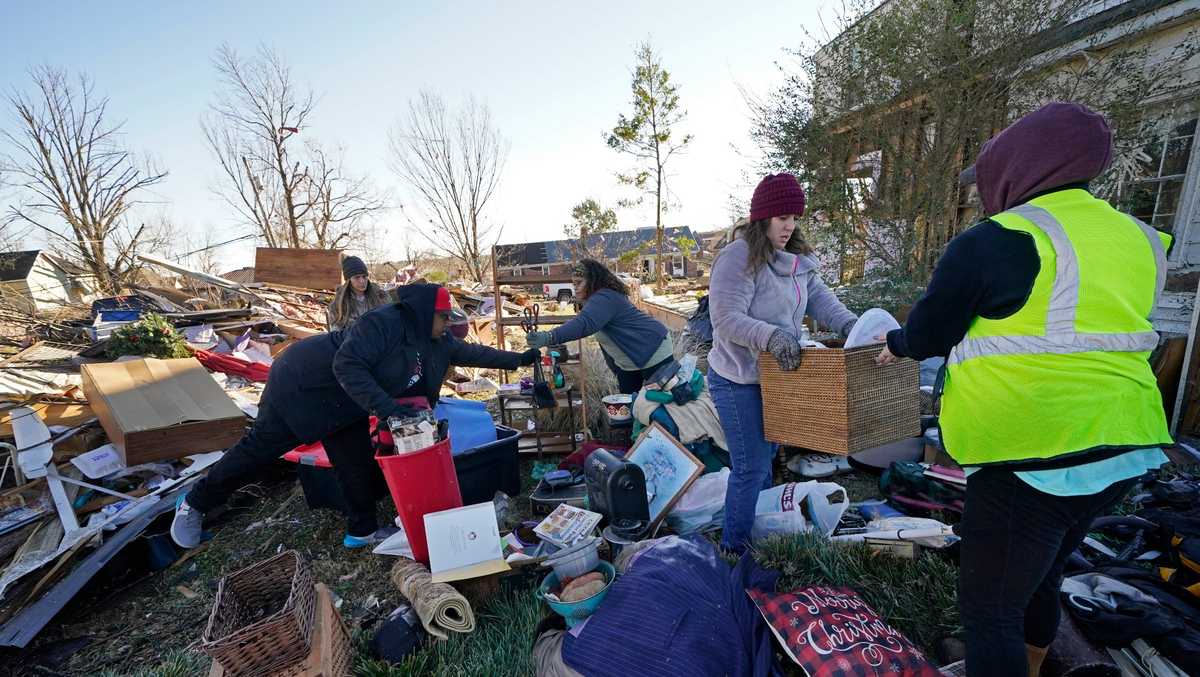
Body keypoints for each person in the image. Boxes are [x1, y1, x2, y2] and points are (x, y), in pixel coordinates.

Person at [875, 103, 1173, 677]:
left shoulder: (998, 239)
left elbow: (931, 332)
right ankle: (1033, 665)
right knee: (1042, 575)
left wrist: (897, 342)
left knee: (990, 612)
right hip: (1121, 446)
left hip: (1032, 454)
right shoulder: (1138, 238)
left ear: (1017, 170)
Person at [171, 284, 540, 549]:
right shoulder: (383, 324)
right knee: (258, 452)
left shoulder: (434, 339)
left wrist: (520, 360)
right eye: (443, 318)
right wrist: (389, 408)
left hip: (346, 401)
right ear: (424, 313)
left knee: (355, 461)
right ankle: (195, 502)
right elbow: (346, 365)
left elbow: (474, 354)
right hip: (304, 385)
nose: (447, 325)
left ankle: (361, 530)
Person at [707, 173, 858, 554]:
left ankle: (758, 534)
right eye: (781, 218)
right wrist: (771, 336)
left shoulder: (796, 260)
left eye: (794, 218)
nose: (789, 226)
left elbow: (822, 300)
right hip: (737, 379)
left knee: (768, 461)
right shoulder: (738, 256)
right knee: (751, 467)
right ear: (762, 218)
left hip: (777, 381)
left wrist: (855, 327)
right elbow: (725, 318)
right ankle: (733, 552)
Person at [525, 259, 674, 394]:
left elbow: (584, 324)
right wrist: (618, 370)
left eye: (579, 283)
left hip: (653, 349)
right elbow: (607, 340)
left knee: (658, 404)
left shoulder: (605, 298)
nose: (575, 288)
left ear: (593, 281)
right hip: (631, 361)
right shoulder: (599, 300)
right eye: (574, 284)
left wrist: (550, 336)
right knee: (629, 405)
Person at [327, 256, 390, 331]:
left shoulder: (380, 297)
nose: (362, 281)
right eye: (357, 277)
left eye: (364, 276)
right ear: (349, 280)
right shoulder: (339, 305)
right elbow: (336, 333)